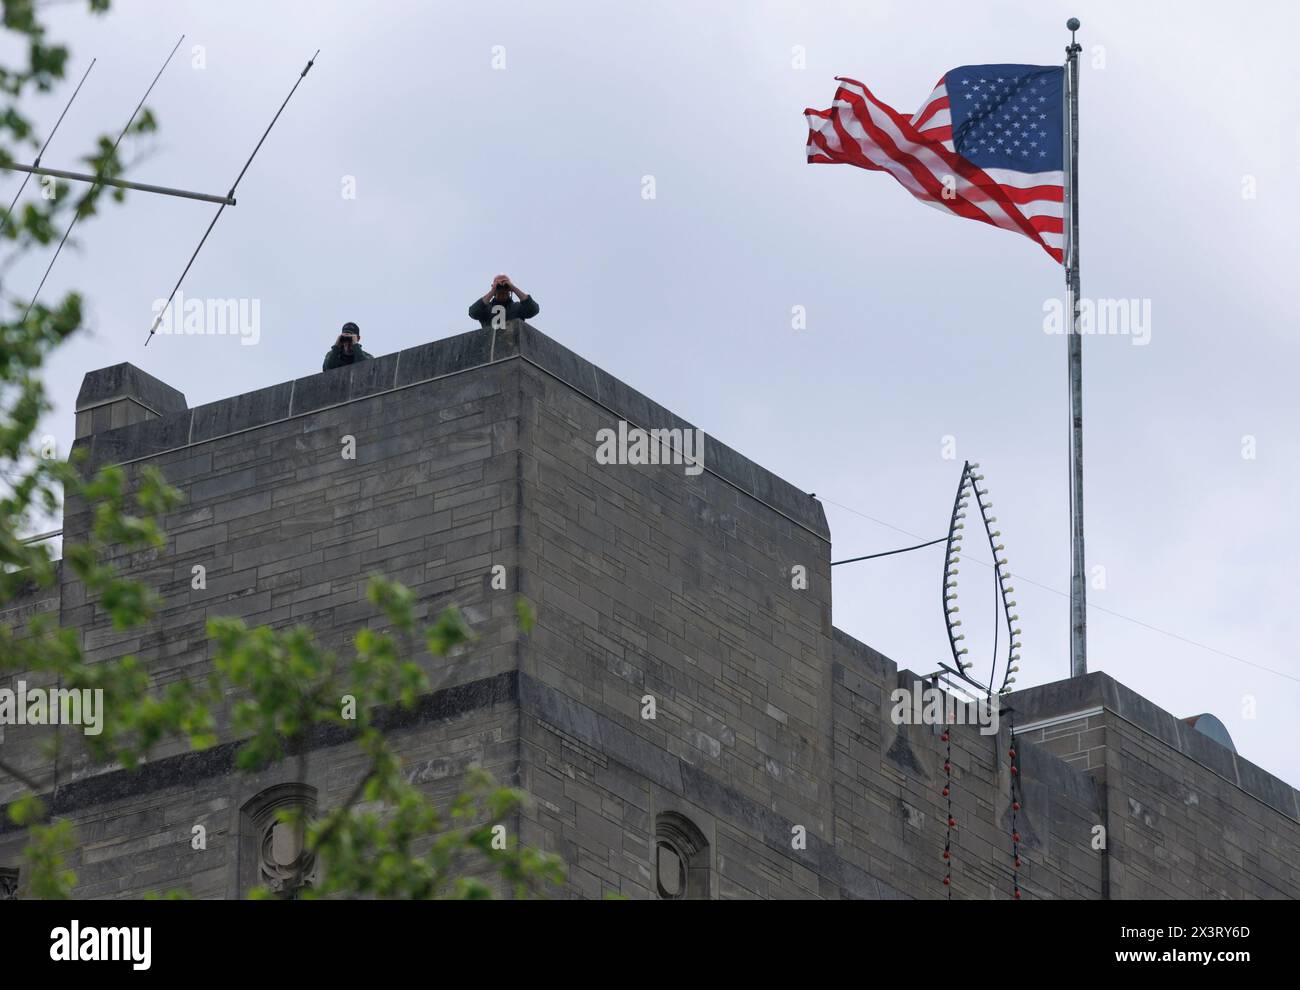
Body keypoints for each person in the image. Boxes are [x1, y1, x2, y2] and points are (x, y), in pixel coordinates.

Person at [468, 274, 539, 328]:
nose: (502, 288)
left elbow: (533, 310)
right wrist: (493, 291)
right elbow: (473, 313)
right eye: (498, 285)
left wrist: (513, 288)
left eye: (506, 286)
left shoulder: (517, 307)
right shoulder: (486, 308)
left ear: (510, 290)